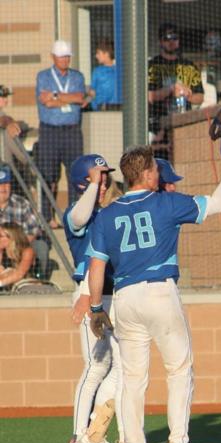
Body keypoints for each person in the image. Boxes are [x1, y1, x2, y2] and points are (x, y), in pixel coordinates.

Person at [86, 143, 221, 443]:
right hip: (160, 292)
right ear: (145, 174)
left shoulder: (107, 215)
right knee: (179, 369)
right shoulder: (165, 203)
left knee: (132, 378)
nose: (159, 173)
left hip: (125, 298)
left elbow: (97, 268)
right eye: (155, 168)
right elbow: (215, 204)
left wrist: (97, 308)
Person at [62, 154, 122, 443]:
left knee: (121, 369)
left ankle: (93, 434)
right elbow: (80, 218)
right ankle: (78, 438)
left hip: (115, 296)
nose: (104, 182)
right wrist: (86, 294)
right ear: (81, 182)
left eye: (106, 177)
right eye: (97, 177)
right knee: (97, 367)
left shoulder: (111, 212)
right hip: (91, 297)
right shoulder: (75, 212)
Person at [36, 40, 91, 227]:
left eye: (67, 56)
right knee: (48, 174)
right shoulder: (43, 76)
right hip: (49, 130)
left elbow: (80, 97)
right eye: (61, 57)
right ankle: (47, 216)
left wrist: (56, 96)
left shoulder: (77, 76)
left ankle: (73, 215)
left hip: (72, 130)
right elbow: (46, 102)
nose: (65, 60)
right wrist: (69, 99)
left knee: (75, 173)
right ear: (53, 57)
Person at [148, 23, 204, 159]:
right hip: (159, 128)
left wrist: (187, 94)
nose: (172, 42)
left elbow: (200, 97)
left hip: (183, 124)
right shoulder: (153, 65)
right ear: (161, 41)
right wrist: (170, 90)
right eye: (167, 38)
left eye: (175, 38)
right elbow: (149, 96)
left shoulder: (189, 66)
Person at [0, 166, 49, 278]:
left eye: (7, 184)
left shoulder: (21, 203)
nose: (4, 188)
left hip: (21, 244)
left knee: (41, 246)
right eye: (0, 184)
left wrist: (14, 243)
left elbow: (34, 231)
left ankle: (39, 279)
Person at [0, 222, 34, 290]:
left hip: (26, 285)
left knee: (10, 271)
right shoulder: (2, 251)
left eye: (0, 236)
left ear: (12, 237)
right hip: (6, 284)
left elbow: (19, 274)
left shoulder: (27, 251)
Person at [89, 39, 119, 111]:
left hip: (114, 108)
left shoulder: (98, 71)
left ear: (107, 54)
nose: (96, 56)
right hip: (102, 109)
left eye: (98, 53)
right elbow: (92, 92)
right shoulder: (97, 71)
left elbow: (92, 92)